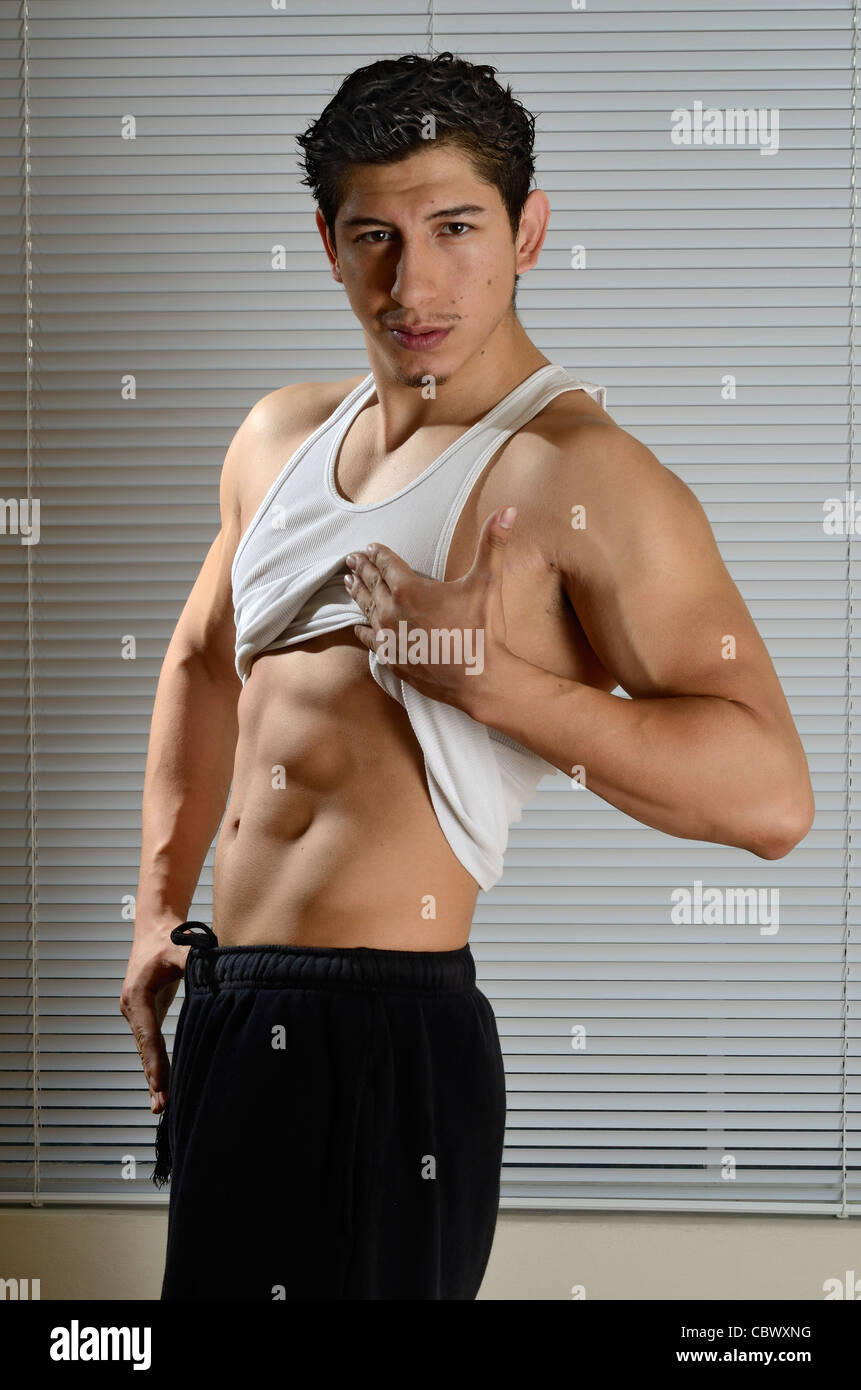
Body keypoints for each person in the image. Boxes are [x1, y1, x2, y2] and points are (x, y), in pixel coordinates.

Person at [119, 51, 815, 1301]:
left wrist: (494, 688)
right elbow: (198, 662)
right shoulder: (279, 435)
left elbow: (772, 795)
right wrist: (155, 908)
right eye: (375, 235)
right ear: (326, 242)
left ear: (528, 230)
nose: (415, 281)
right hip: (233, 1005)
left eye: (455, 228)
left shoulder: (579, 475)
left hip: (387, 1034)